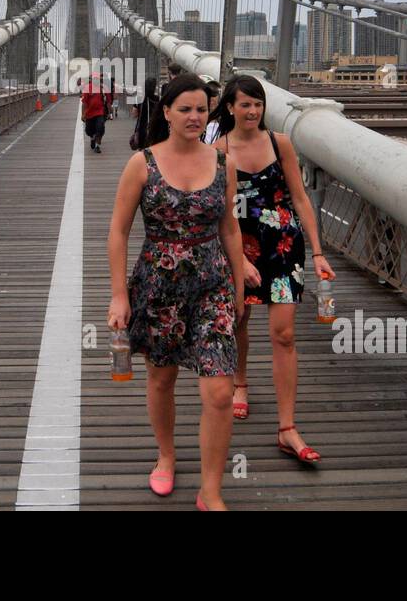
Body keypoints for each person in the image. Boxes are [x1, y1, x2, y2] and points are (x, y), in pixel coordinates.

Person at [107, 73, 259, 511]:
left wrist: (235, 282)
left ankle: (211, 490)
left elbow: (229, 227)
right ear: (167, 113)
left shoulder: (222, 161)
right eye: (185, 109)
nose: (195, 116)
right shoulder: (142, 163)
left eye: (201, 108)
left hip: (211, 285)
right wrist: (120, 296)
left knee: (219, 391)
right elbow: (117, 233)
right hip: (158, 285)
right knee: (163, 378)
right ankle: (167, 455)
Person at [215, 74, 335, 465]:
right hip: (241, 247)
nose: (252, 111)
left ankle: (287, 427)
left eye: (258, 103)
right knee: (240, 320)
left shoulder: (279, 143)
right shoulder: (218, 152)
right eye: (245, 104)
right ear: (230, 107)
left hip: (284, 247)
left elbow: (300, 198)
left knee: (283, 334)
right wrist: (239, 260)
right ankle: (241, 384)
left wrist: (317, 253)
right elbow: (222, 214)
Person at [130, 76, 158, 151]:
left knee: (144, 151)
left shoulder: (139, 98)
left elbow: (134, 114)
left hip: (142, 129)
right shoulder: (158, 99)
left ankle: (147, 162)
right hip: (156, 129)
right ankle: (151, 162)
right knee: (153, 150)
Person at [81, 75, 107, 153]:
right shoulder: (87, 88)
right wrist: (83, 114)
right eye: (95, 79)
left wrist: (109, 111)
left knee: (100, 128)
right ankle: (93, 138)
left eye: (98, 79)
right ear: (92, 80)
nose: (96, 80)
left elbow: (107, 100)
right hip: (89, 113)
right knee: (88, 131)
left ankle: (97, 146)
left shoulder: (102, 88)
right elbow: (84, 103)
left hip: (100, 112)